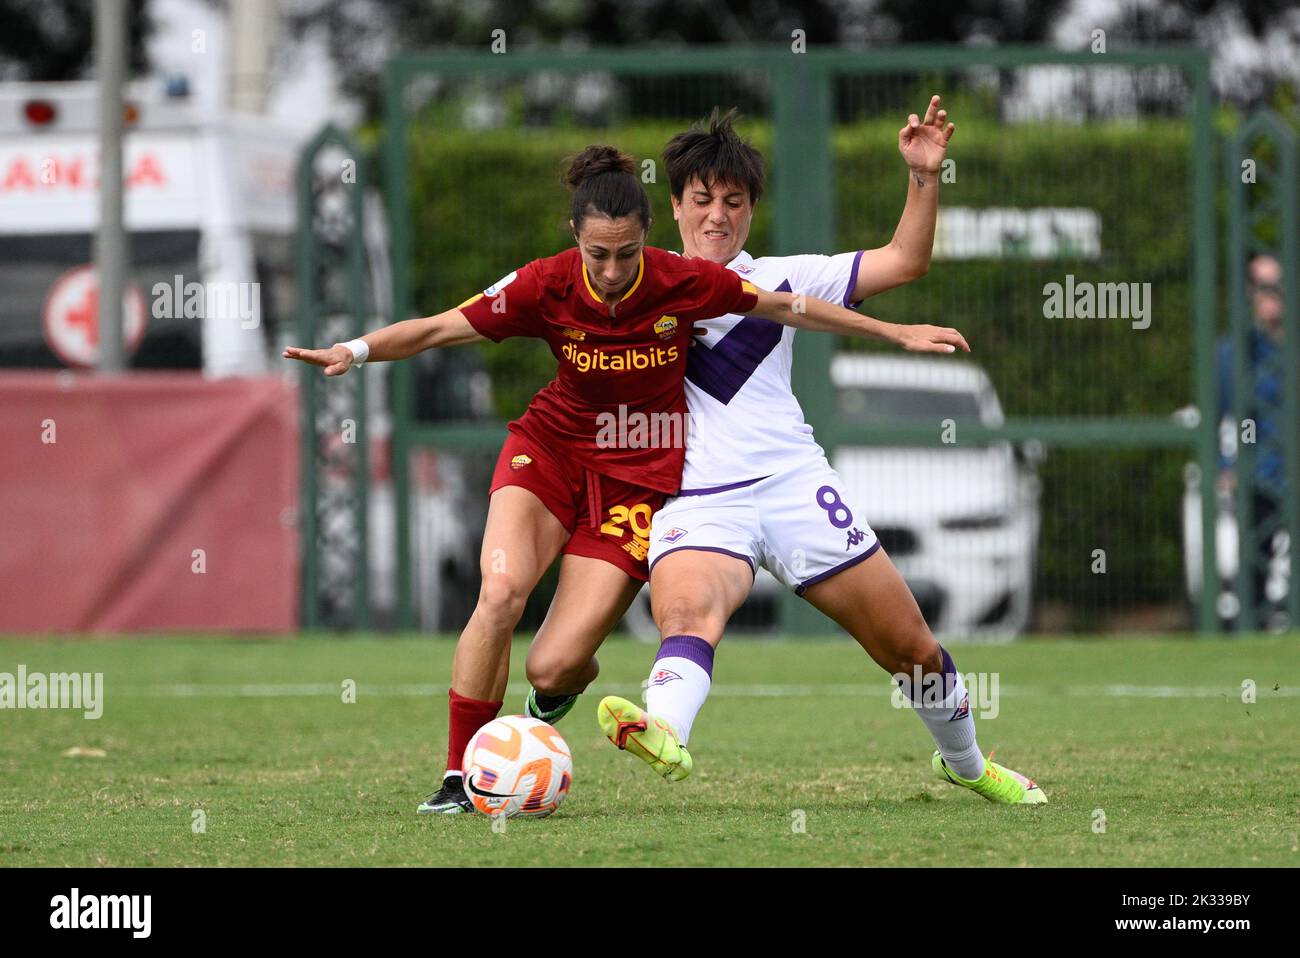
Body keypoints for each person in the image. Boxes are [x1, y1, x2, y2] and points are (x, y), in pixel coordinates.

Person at [284, 145, 969, 814]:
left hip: (639, 484)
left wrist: (894, 330)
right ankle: (460, 779)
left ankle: (558, 696)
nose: (611, 272)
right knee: (499, 591)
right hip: (553, 452)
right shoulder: (546, 283)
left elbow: (795, 305)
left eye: (625, 254)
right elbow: (438, 328)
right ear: (665, 211)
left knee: (552, 670)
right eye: (596, 254)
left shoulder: (693, 281)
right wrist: (357, 349)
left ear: (650, 238)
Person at [526, 101, 1046, 804]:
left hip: (793, 486)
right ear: (672, 207)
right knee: (686, 617)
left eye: (733, 202)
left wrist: (925, 176)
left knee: (911, 649)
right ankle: (665, 729)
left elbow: (905, 261)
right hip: (698, 499)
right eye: (702, 200)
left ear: (750, 210)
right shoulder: (626, 286)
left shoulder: (786, 277)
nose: (717, 216)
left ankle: (967, 762)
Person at [1217, 253, 1291, 627]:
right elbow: (1215, 417)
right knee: (1252, 575)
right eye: (1264, 288)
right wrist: (1223, 468)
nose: (1272, 296)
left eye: (1278, 286)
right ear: (1249, 293)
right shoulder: (1232, 354)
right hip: (1257, 479)